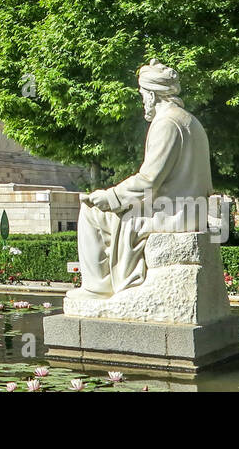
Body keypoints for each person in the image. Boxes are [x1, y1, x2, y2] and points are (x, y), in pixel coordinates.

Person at [75, 59, 212, 296]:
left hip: (174, 214)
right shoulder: (189, 120)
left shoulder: (167, 123)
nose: (142, 101)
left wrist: (110, 197)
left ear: (151, 95)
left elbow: (148, 181)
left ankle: (98, 288)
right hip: (192, 209)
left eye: (142, 95)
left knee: (92, 212)